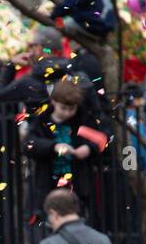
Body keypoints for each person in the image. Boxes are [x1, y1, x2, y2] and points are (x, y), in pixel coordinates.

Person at [23, 76, 106, 224]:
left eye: (71, 109)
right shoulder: (41, 121)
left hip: (78, 185)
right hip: (48, 184)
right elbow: (29, 144)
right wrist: (53, 147)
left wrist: (88, 148)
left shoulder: (81, 120)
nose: (67, 113)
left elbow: (99, 139)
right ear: (54, 101)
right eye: (63, 108)